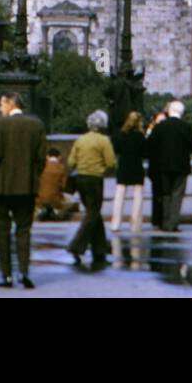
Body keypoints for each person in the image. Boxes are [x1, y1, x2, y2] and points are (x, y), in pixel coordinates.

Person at [0, 90, 46, 290]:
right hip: (26, 187)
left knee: (2, 231)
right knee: (24, 230)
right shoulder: (36, 125)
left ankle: (6, 276)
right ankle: (24, 272)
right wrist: (32, 176)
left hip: (2, 187)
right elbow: (41, 159)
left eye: (1, 104)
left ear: (10, 104)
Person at [67, 110, 116, 269]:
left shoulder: (80, 140)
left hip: (80, 179)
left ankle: (100, 251)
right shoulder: (104, 140)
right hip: (95, 179)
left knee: (94, 213)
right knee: (93, 213)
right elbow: (110, 162)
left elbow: (70, 161)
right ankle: (76, 246)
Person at [147, 99, 192, 231]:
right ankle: (173, 223)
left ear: (169, 111)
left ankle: (164, 222)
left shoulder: (160, 126)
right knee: (177, 195)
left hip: (163, 166)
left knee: (165, 194)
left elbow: (151, 145)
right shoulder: (185, 127)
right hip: (181, 166)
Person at [111, 110, 147, 232]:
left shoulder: (121, 135)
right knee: (138, 196)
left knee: (119, 195)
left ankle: (115, 223)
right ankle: (135, 224)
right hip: (137, 167)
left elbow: (116, 149)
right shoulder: (140, 136)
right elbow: (145, 153)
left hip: (123, 167)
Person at [36, 148, 77, 221]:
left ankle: (42, 212)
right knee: (70, 203)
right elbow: (64, 186)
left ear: (47, 157)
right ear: (59, 157)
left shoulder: (41, 167)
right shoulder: (61, 168)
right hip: (55, 200)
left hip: (40, 200)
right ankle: (56, 213)